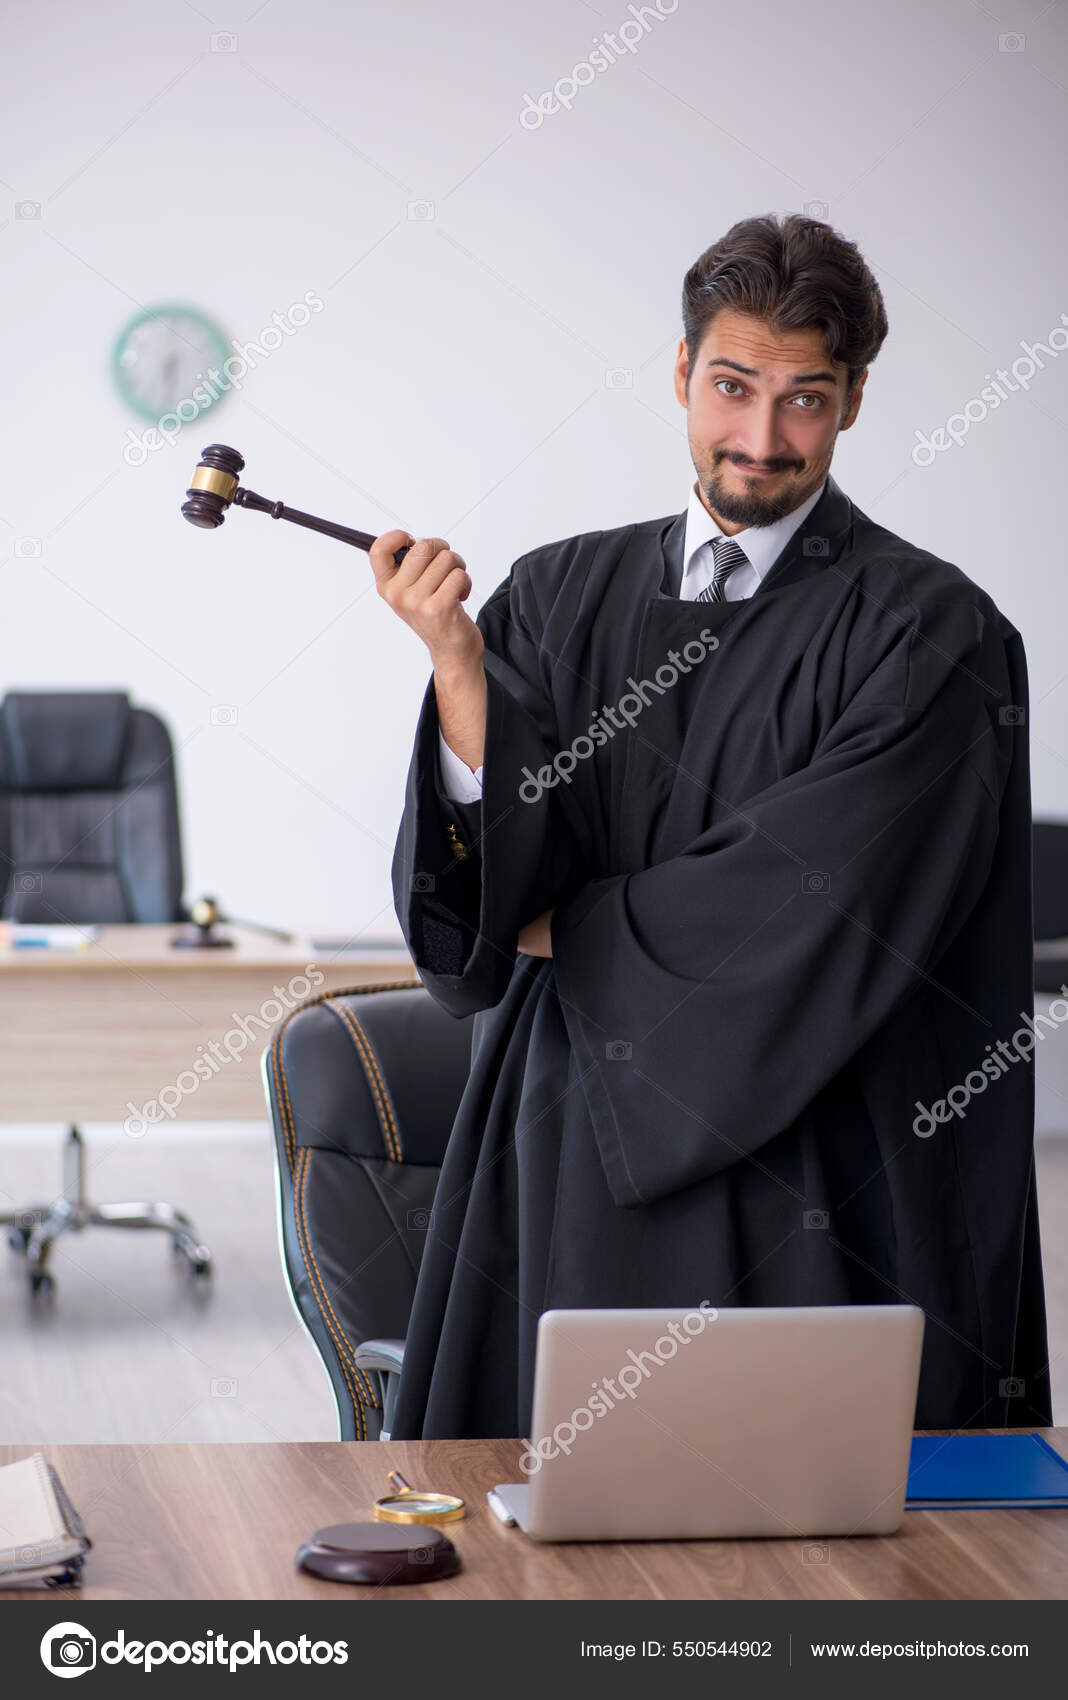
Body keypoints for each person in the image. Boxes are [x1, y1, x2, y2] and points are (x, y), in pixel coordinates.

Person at [370, 211, 1052, 1440]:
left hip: (819, 1169)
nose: (762, 436)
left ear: (853, 402)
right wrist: (462, 674)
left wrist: (562, 931)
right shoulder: (556, 593)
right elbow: (490, 888)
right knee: (532, 1540)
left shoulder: (932, 633)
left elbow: (820, 900)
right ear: (682, 372)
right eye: (734, 386)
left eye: (806, 398)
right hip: (562, 1132)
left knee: (802, 1548)